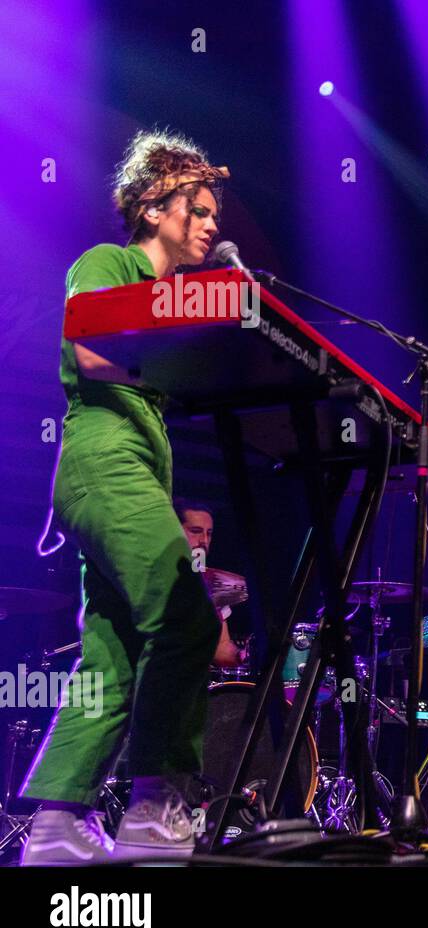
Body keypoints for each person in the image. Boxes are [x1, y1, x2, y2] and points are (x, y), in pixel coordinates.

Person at [21, 130, 228, 864]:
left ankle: (55, 827)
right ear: (151, 206)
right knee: (187, 617)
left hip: (130, 473)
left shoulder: (170, 299)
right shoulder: (108, 264)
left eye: (215, 213)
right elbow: (90, 349)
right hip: (102, 467)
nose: (211, 224)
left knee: (110, 653)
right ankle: (158, 801)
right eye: (196, 208)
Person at [174, 498, 245, 669]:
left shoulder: (213, 584)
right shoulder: (152, 574)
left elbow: (220, 647)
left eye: (209, 533)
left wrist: (243, 655)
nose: (204, 540)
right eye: (196, 531)